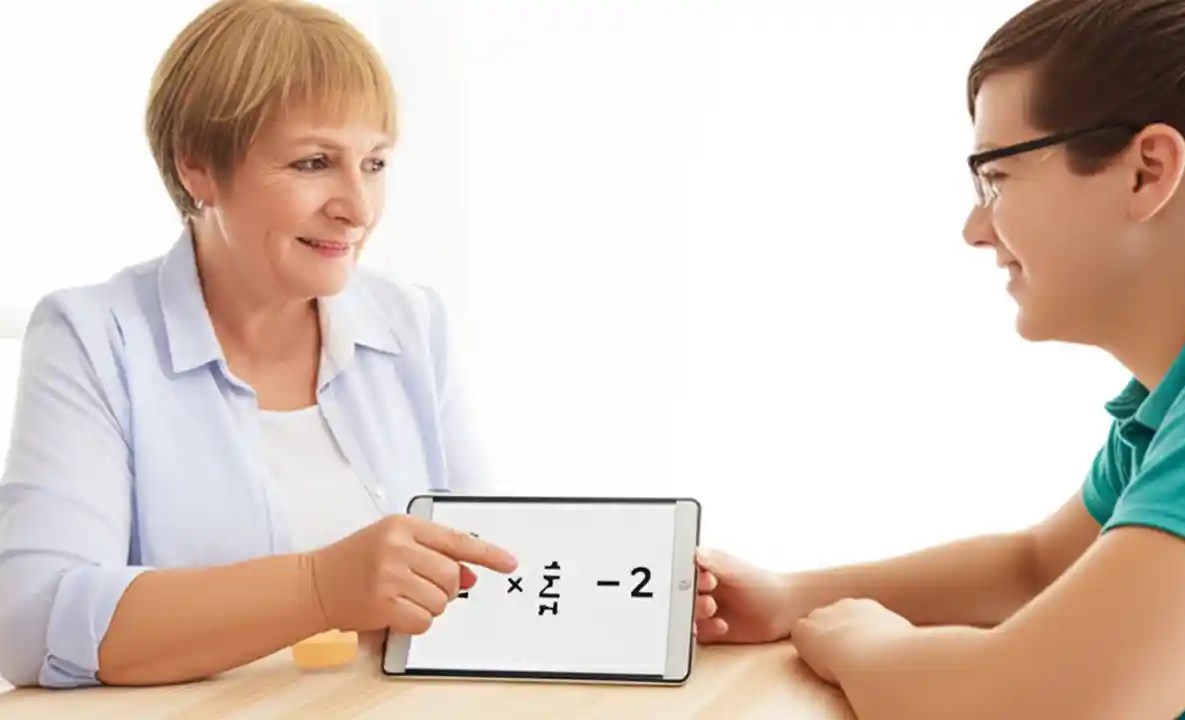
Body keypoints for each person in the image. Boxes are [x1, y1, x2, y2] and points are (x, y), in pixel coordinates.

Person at [0, 0, 720, 689]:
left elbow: (486, 571)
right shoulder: (94, 338)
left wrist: (636, 597)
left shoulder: (408, 324)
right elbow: (33, 621)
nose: (359, 207)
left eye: (374, 163)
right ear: (197, 168)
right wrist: (319, 588)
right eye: (314, 163)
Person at [694, 1, 1185, 717]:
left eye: (995, 178)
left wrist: (862, 640)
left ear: (1145, 171)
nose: (975, 229)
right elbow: (1038, 567)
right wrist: (790, 596)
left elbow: (1034, 706)